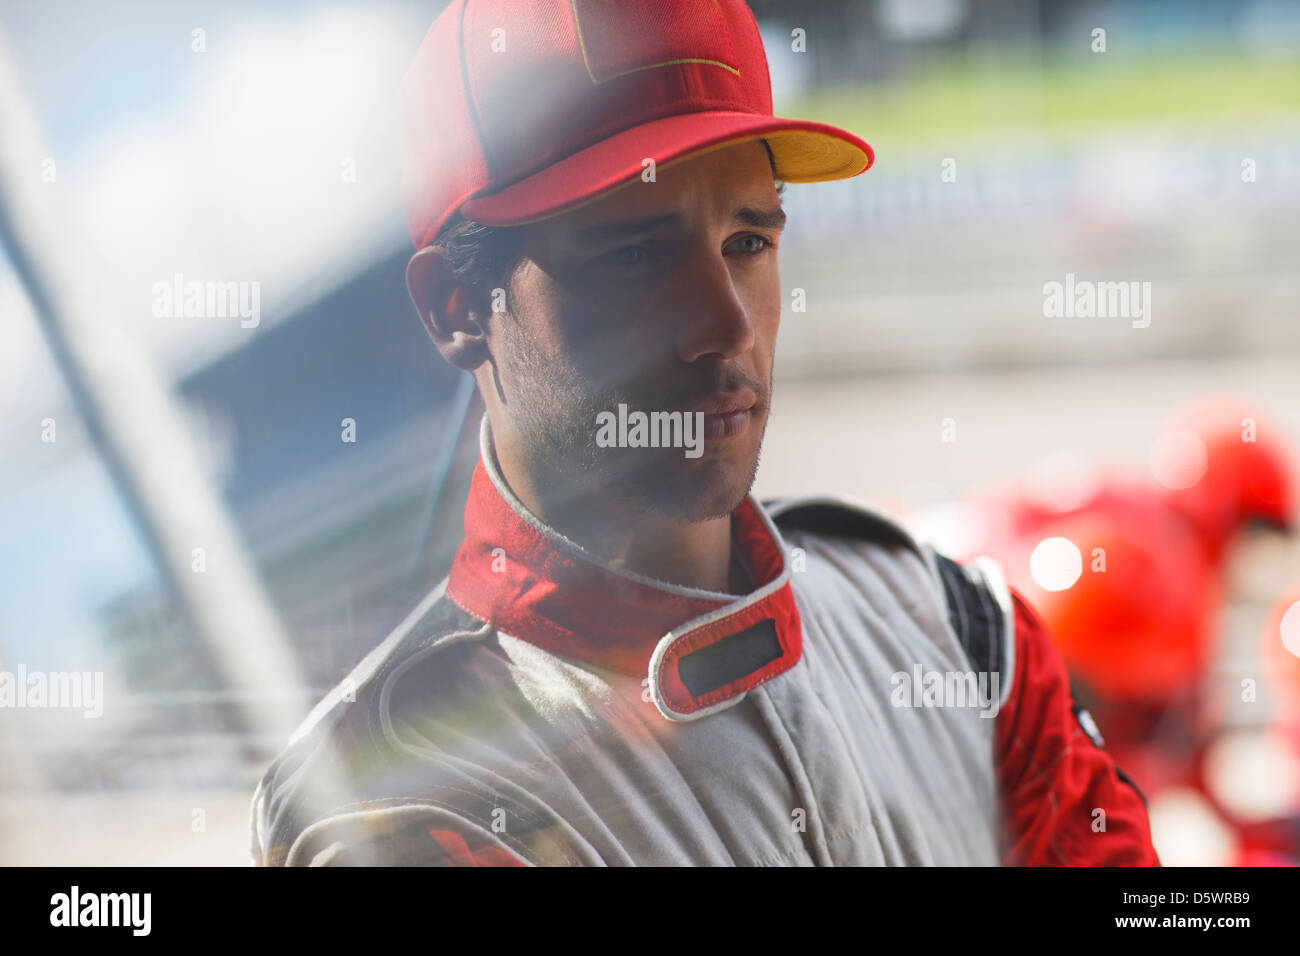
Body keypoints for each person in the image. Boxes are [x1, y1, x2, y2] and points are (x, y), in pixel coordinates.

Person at [251, 0, 1159, 867]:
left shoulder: (954, 625)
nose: (725, 325)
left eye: (749, 242)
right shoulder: (393, 798)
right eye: (635, 255)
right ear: (456, 309)